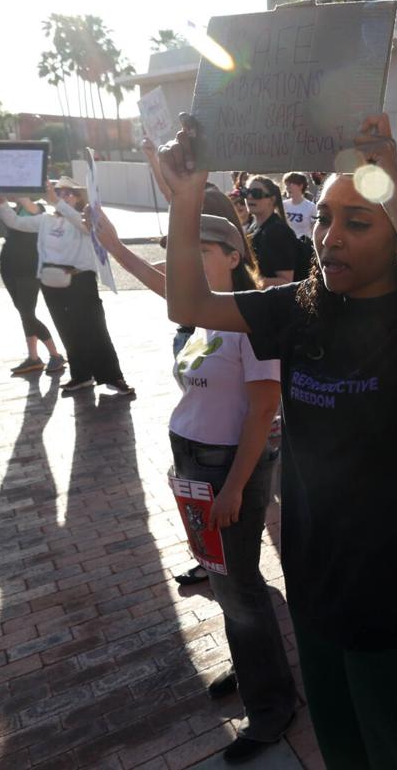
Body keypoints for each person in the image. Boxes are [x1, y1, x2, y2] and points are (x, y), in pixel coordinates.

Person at [159, 114, 397, 769]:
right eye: (325, 219)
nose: (329, 237)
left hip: (395, 591)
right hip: (312, 581)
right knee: (343, 749)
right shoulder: (297, 308)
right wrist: (186, 201)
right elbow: (187, 303)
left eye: (358, 222)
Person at [92, 209, 297, 763]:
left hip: (226, 469)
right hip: (193, 464)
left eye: (202, 251)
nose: (187, 262)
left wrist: (234, 488)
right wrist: (115, 246)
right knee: (223, 579)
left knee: (239, 586)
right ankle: (251, 667)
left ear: (233, 256)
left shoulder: (253, 319)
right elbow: (163, 284)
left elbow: (263, 411)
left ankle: (273, 706)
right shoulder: (202, 314)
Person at [0, 178, 133, 397]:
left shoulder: (85, 218)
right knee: (67, 330)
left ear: (78, 198)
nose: (62, 196)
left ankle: (112, 377)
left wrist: (56, 202)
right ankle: (81, 375)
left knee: (95, 330)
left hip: (80, 280)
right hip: (51, 281)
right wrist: (2, 201)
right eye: (59, 192)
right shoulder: (46, 219)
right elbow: (16, 222)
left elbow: (86, 228)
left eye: (68, 193)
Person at [0, 193, 65, 375]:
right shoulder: (7, 212)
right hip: (8, 267)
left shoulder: (38, 210)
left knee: (27, 313)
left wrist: (4, 195)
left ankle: (55, 355)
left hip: (29, 269)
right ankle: (34, 358)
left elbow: (28, 210)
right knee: (24, 313)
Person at [243, 176, 296, 287]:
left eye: (256, 193)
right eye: (246, 192)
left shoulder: (278, 232)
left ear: (272, 199)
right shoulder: (253, 227)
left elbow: (286, 281)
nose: (249, 197)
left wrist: (248, 281)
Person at [282, 172, 317, 240]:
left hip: (303, 243)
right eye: (286, 185)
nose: (287, 188)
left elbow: (314, 229)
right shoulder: (283, 205)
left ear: (301, 186)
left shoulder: (311, 207)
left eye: (290, 185)